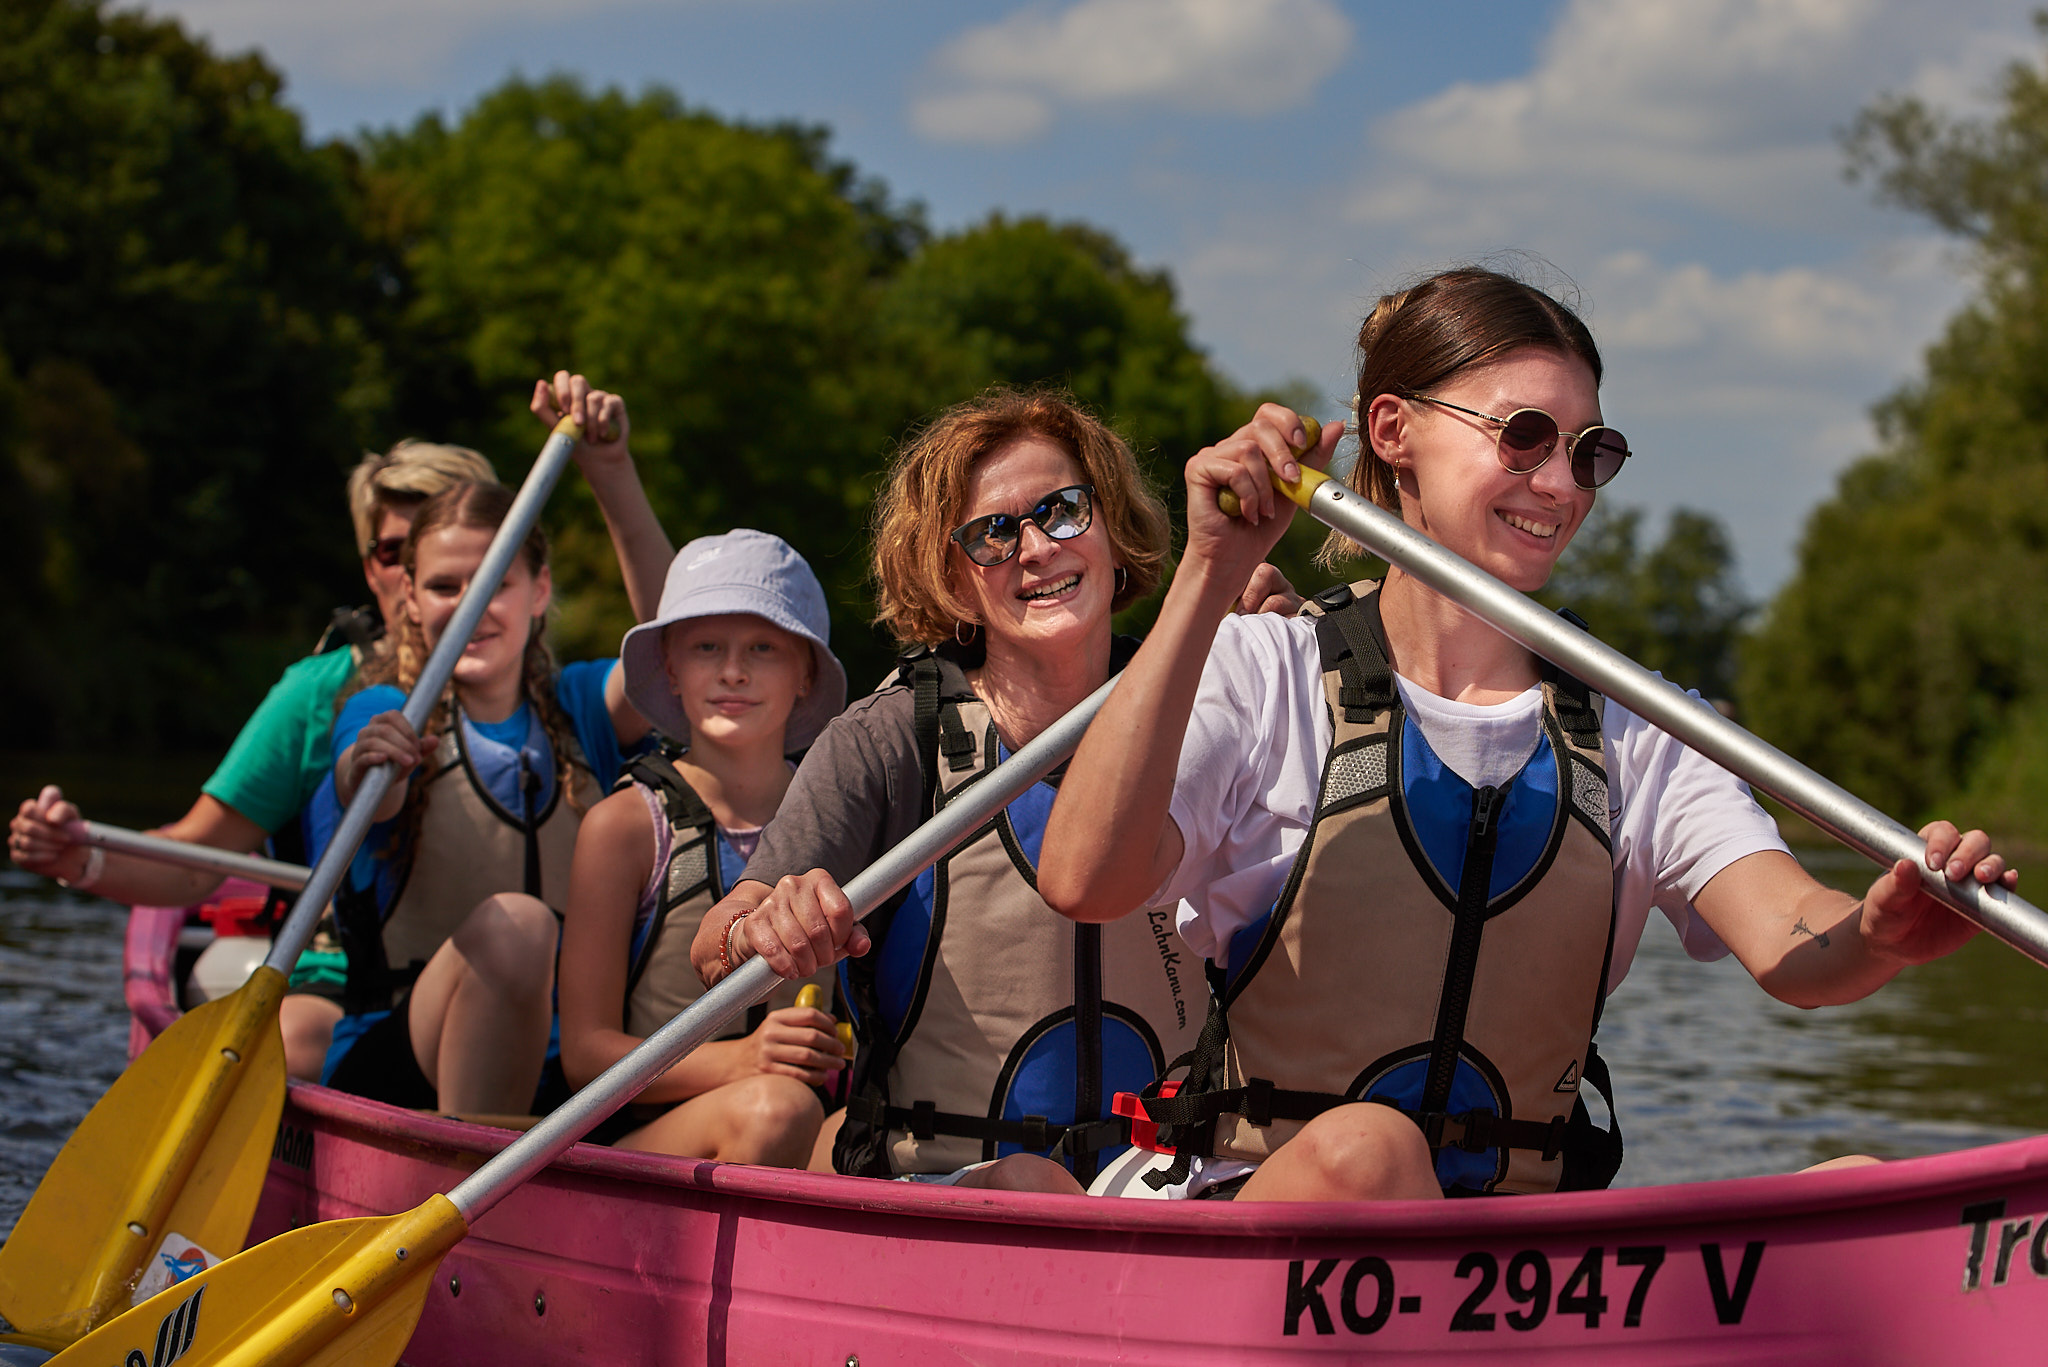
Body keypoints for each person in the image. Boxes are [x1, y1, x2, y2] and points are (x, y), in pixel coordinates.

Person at [1032, 265, 2018, 1202]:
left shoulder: (1639, 724)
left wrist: (1879, 931)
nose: (1560, 484)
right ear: (1392, 430)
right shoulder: (1264, 670)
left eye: (1589, 452)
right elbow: (1084, 878)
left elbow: (1794, 943)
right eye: (1523, 437)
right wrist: (1206, 576)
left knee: (1853, 1188)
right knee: (1368, 1151)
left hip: (1512, 1252)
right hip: (1267, 1217)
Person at [692, 389, 1251, 1191]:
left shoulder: (1215, 698)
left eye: (1062, 510)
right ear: (951, 582)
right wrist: (761, 928)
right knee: (1033, 1183)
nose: (1035, 548)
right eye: (992, 533)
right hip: (954, 1192)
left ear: (1111, 530)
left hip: (1172, 1185)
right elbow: (716, 942)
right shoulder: (888, 740)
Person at [7, 439, 499, 1078]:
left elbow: (671, 656)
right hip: (350, 985)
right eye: (393, 550)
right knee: (292, 1048)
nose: (426, 568)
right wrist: (77, 856)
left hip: (500, 978)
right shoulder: (320, 694)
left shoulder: (547, 697)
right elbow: (194, 860)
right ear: (376, 569)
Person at [314, 376, 672, 1117]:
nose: (471, 605)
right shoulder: (386, 708)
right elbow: (358, 785)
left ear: (538, 592)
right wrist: (370, 763)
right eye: (446, 585)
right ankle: (466, 1204)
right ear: (409, 597)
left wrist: (611, 470)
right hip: (399, 1062)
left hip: (563, 1076)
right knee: (519, 928)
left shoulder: (580, 709)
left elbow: (677, 649)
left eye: (494, 583)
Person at [556, 531, 850, 1163]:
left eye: (764, 648)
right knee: (776, 1107)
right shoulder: (625, 826)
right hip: (639, 1143)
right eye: (706, 647)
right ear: (671, 667)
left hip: (804, 1128)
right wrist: (743, 1060)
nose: (732, 670)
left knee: (862, 1131)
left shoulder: (847, 822)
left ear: (805, 673)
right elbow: (583, 1057)